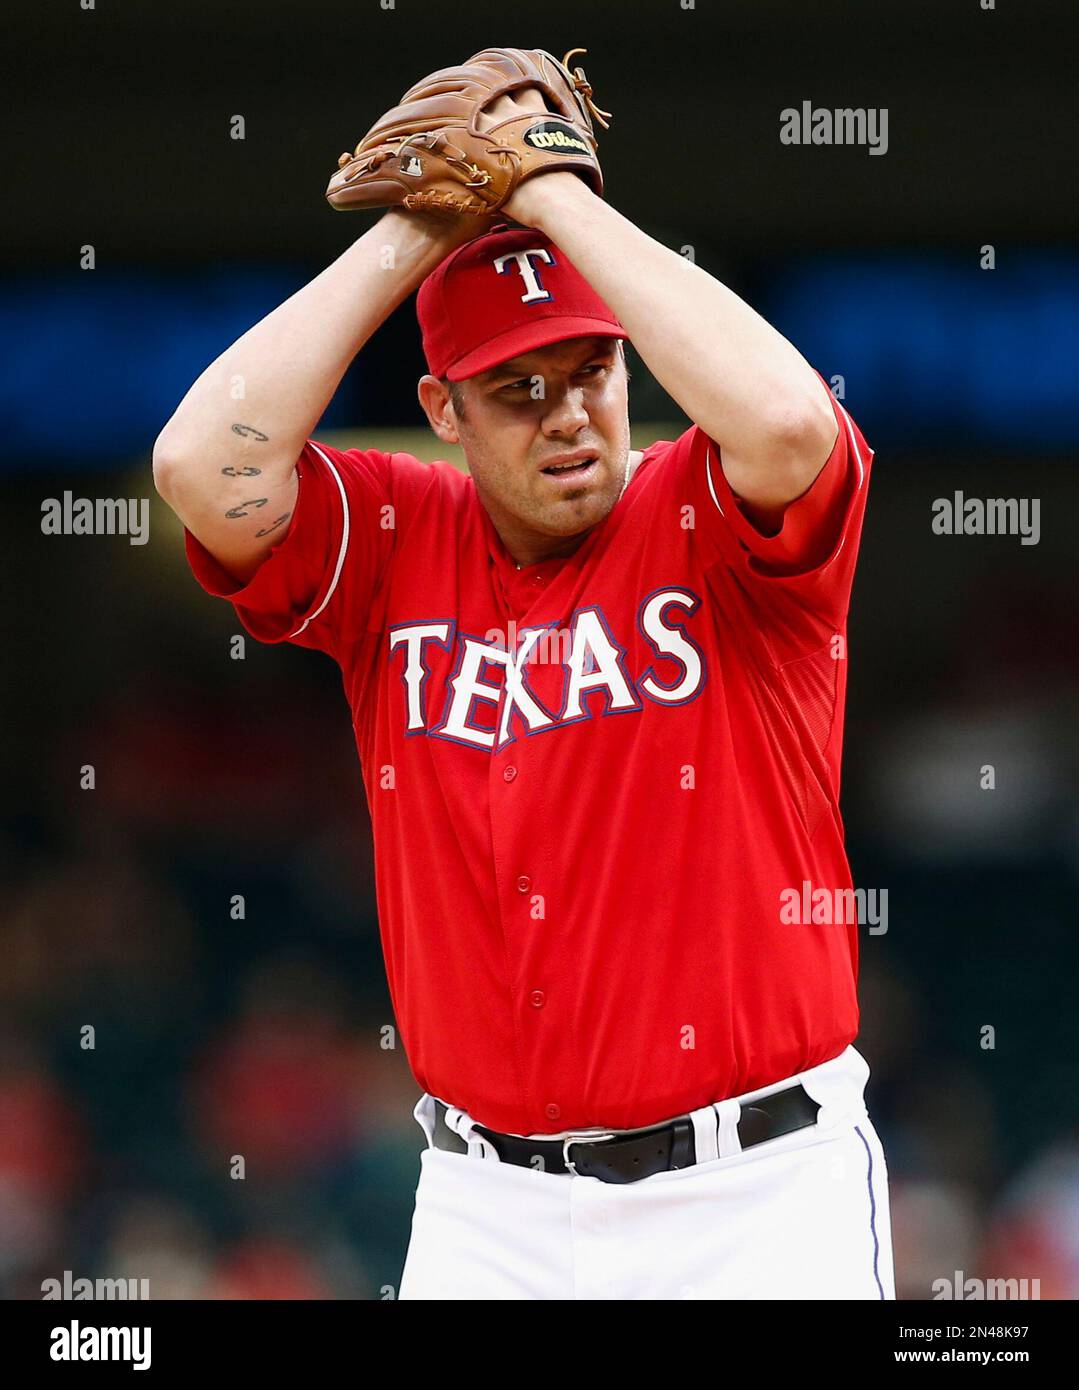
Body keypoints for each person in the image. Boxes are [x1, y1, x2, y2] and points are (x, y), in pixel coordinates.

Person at [153, 93, 893, 1299]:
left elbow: (784, 415)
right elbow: (201, 466)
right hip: (487, 1207)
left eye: (589, 369)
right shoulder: (399, 531)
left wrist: (551, 193)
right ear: (442, 410)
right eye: (515, 388)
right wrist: (415, 228)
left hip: (753, 1195)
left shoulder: (702, 506)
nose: (566, 416)